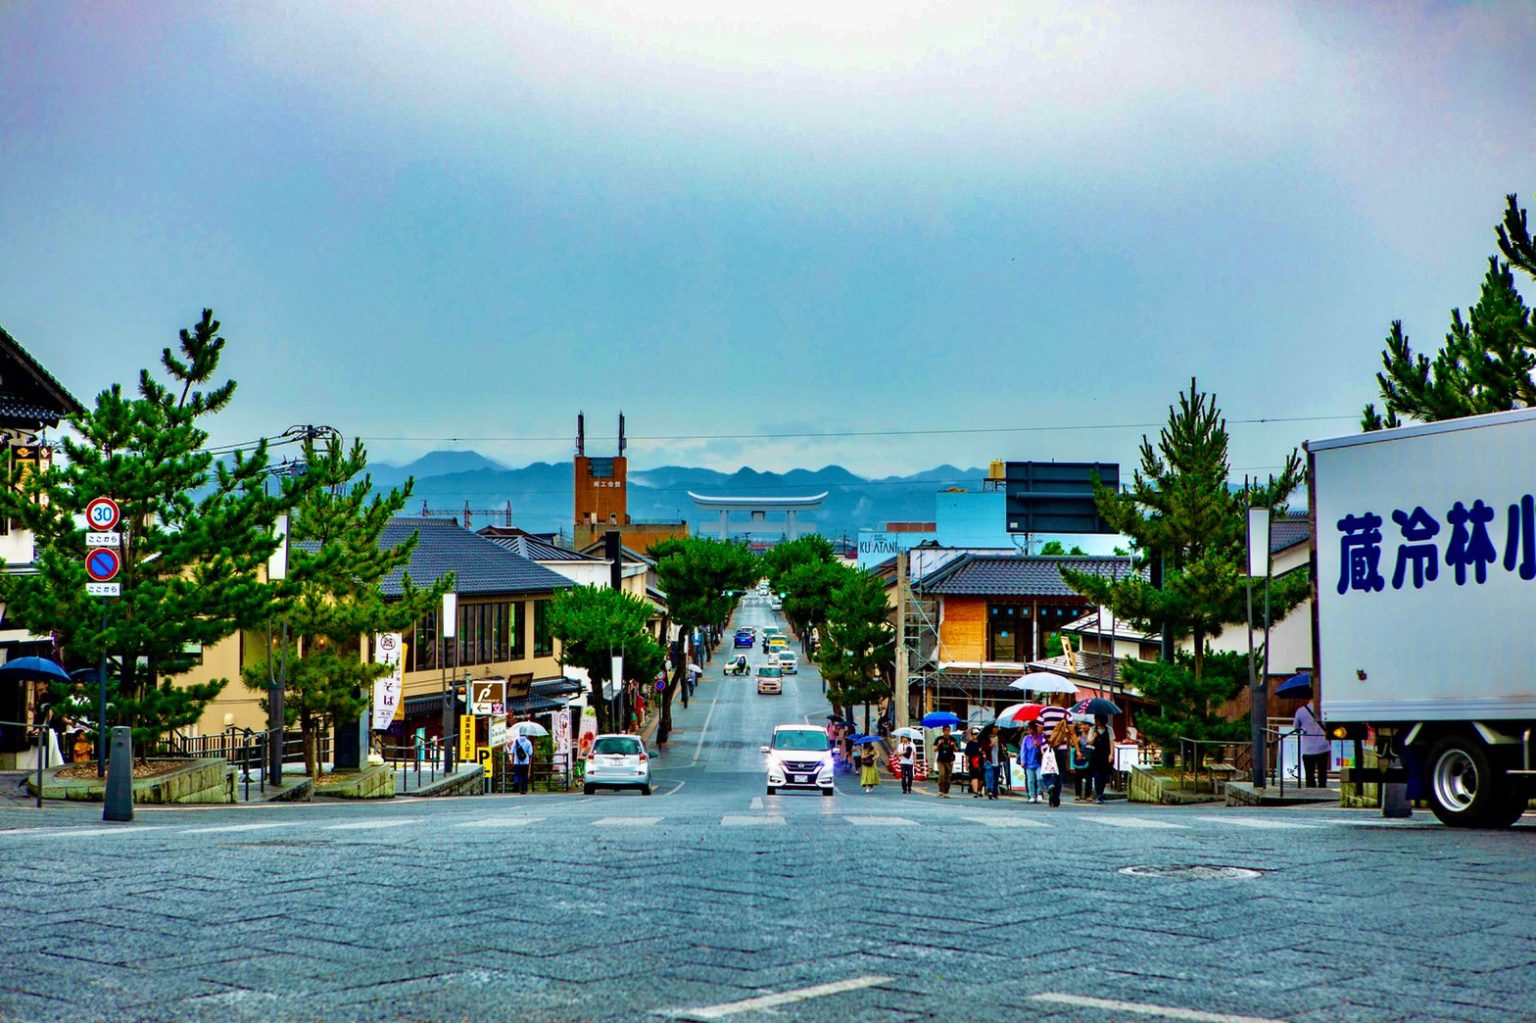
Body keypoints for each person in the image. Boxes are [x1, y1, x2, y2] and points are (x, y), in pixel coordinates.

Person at [1294, 700, 1330, 788]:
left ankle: (1310, 788)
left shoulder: (1300, 711)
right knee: (1322, 771)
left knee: (1309, 772)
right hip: (1323, 746)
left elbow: (1296, 727)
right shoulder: (1323, 710)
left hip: (1308, 747)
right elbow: (1328, 725)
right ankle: (1322, 787)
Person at [1047, 719, 1074, 808]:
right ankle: (1056, 796)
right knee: (1059, 774)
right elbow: (1072, 734)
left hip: (1047, 749)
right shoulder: (1067, 715)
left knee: (1047, 773)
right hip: (1062, 750)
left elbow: (1040, 731)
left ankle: (1051, 788)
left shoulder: (1043, 714)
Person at [1090, 716, 1113, 804]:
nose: (1096, 721)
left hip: (1105, 755)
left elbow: (1111, 742)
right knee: (1096, 775)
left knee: (1103, 775)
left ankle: (1101, 793)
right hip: (1095, 754)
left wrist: (1111, 754)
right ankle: (1098, 794)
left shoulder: (1109, 729)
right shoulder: (1092, 729)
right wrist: (1093, 737)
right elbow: (1089, 742)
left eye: (1097, 720)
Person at [1020, 722, 1044, 803]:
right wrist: (1023, 761)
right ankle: (1032, 796)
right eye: (1028, 728)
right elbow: (1023, 750)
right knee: (1030, 780)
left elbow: (1044, 749)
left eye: (1030, 728)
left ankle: (1039, 793)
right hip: (1029, 762)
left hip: (1039, 762)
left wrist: (1038, 746)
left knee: (1040, 778)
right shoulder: (1026, 738)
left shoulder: (1041, 737)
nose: (1029, 729)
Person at [933, 725, 958, 798]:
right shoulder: (939, 738)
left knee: (948, 776)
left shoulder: (953, 739)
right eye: (945, 730)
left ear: (950, 731)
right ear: (943, 731)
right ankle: (941, 790)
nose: (947, 732)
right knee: (942, 774)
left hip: (949, 760)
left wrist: (953, 745)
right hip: (941, 759)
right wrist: (939, 744)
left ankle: (946, 792)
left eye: (948, 730)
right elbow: (935, 749)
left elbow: (956, 750)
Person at [511, 730, 533, 795]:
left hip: (517, 762)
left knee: (517, 774)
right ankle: (523, 790)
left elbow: (512, 752)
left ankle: (516, 783)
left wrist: (512, 761)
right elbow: (530, 753)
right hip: (525, 762)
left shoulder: (515, 741)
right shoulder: (528, 742)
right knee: (524, 776)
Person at [965, 728, 983, 798]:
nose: (976, 735)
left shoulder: (981, 743)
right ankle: (975, 791)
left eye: (977, 734)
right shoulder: (969, 744)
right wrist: (966, 764)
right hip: (972, 762)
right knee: (974, 777)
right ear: (972, 735)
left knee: (981, 778)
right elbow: (967, 755)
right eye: (974, 734)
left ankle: (979, 790)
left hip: (981, 762)